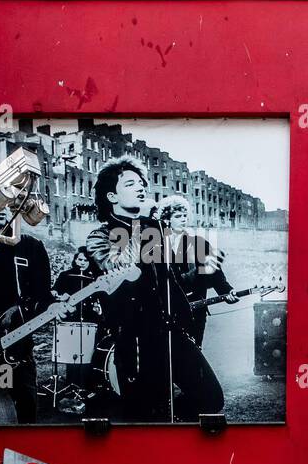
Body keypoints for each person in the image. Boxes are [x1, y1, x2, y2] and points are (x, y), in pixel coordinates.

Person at [83, 156, 223, 423]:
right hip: (136, 339)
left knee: (210, 398)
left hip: (172, 332)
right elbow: (116, 268)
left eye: (142, 184)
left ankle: (172, 423)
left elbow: (169, 280)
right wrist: (142, 226)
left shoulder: (153, 230)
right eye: (131, 184)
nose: (141, 188)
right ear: (112, 196)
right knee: (148, 412)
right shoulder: (100, 236)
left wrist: (203, 272)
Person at [0, 162, 66, 423]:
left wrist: (53, 307)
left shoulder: (31, 249)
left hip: (20, 359)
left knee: (27, 425)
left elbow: (41, 299)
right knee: (4, 421)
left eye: (7, 197)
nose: (2, 205)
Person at [157, 195, 237, 347]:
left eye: (185, 216)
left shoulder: (199, 243)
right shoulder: (157, 245)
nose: (183, 219)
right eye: (178, 216)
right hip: (166, 313)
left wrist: (227, 291)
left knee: (193, 357)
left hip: (195, 312)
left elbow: (215, 274)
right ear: (167, 219)